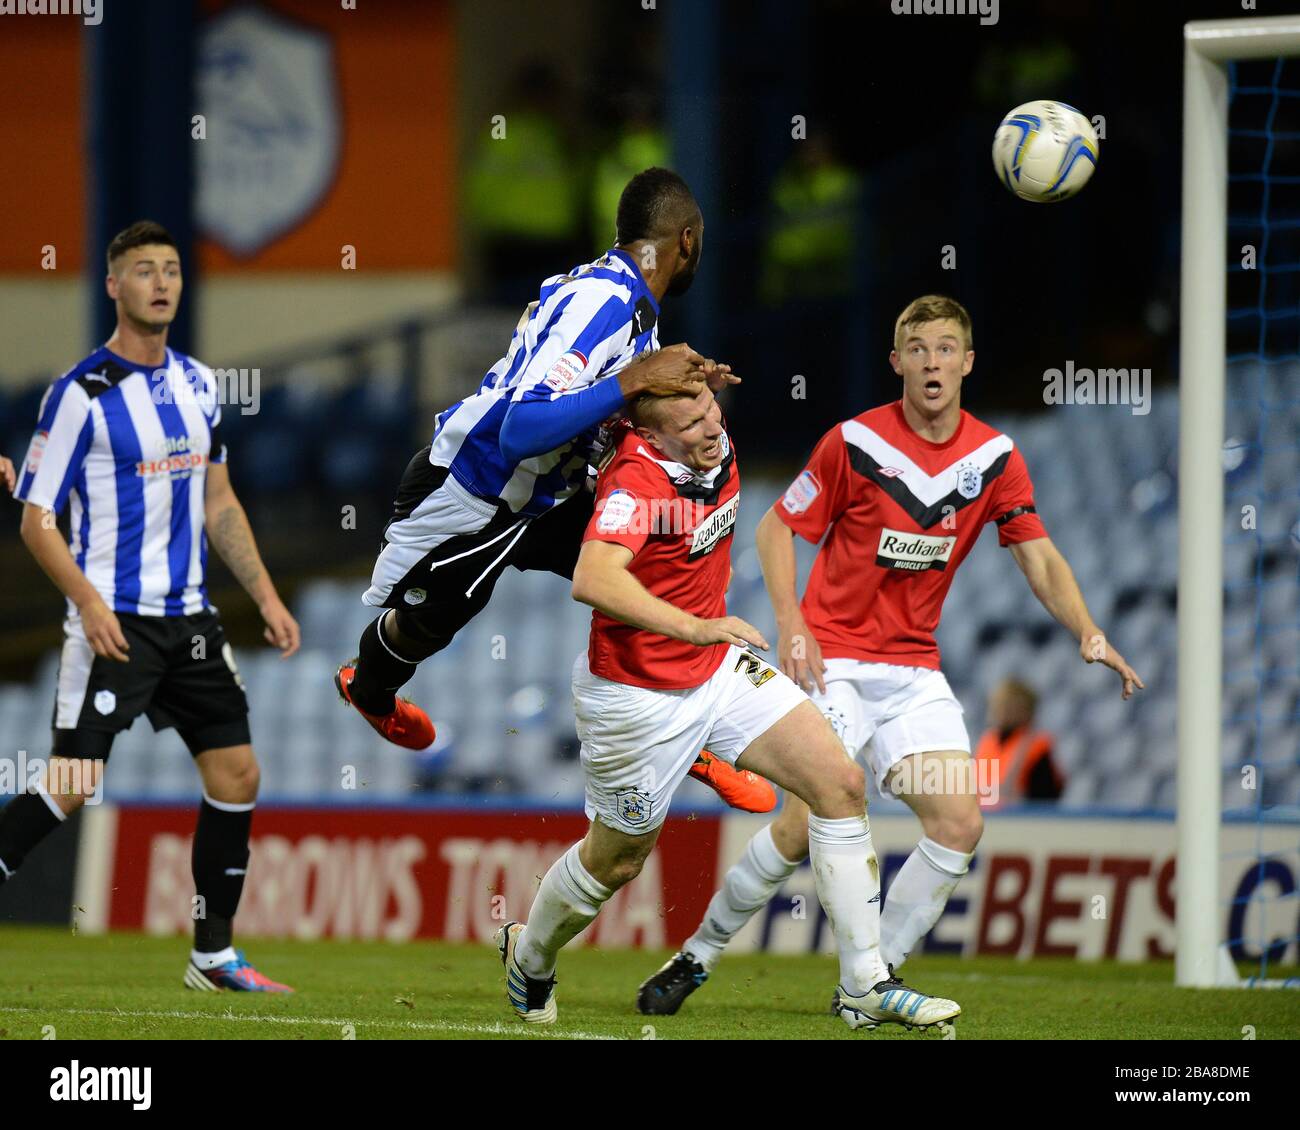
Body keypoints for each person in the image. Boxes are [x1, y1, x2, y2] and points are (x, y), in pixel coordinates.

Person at [638, 294, 1144, 1015]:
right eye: (918, 348)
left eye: (946, 348)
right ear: (896, 362)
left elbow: (1038, 555)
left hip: (912, 673)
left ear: (967, 362)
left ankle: (870, 982)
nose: (932, 361)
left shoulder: (995, 459)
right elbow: (777, 531)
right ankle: (699, 954)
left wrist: (1087, 629)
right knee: (797, 824)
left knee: (960, 823)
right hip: (833, 664)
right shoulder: (854, 444)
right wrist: (792, 623)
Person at [495, 385, 961, 1033]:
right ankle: (532, 952)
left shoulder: (710, 438)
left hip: (717, 669)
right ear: (653, 437)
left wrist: (693, 374)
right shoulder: (638, 482)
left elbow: (664, 374)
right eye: (689, 422)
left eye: (711, 409)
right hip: (638, 697)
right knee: (619, 859)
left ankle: (865, 983)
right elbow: (594, 578)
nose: (710, 426)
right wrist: (693, 627)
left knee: (839, 783)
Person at [335, 168, 771, 812]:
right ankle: (369, 689)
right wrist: (635, 381)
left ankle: (688, 736)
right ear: (687, 240)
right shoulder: (603, 302)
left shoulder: (636, 320)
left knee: (652, 572)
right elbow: (519, 431)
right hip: (470, 495)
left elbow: (600, 408)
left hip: (546, 498)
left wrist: (676, 392)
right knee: (428, 624)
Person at [1, 220, 300, 992]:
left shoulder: (200, 384)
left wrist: (265, 595)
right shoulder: (78, 395)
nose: (162, 282)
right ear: (113, 285)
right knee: (71, 783)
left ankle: (212, 956)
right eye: (143, 270)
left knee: (237, 773)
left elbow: (219, 500)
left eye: (170, 269)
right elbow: (36, 519)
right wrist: (88, 602)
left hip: (191, 620)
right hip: (115, 620)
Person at [975, 677, 1064, 807]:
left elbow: (1045, 798)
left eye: (1010, 707)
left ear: (1027, 712)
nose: (1003, 712)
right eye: (1000, 705)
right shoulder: (988, 741)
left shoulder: (1036, 746)